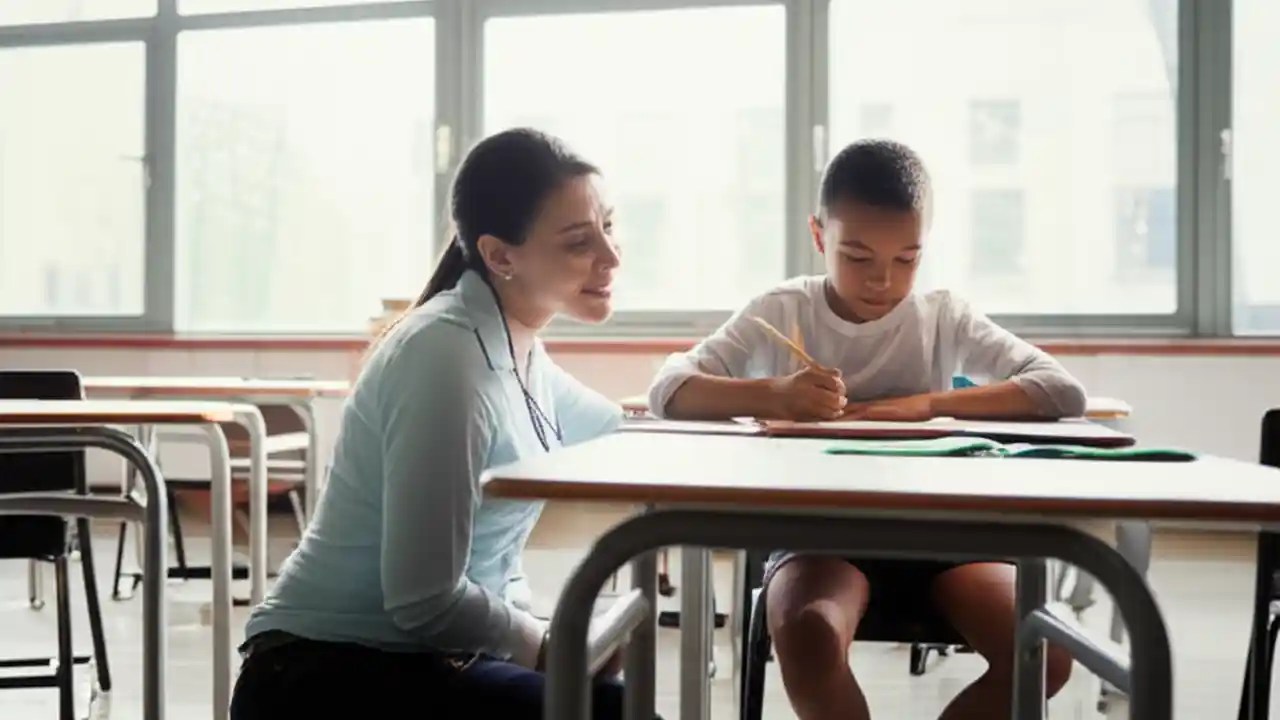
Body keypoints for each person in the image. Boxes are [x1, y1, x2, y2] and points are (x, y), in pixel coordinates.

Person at [647, 139, 1084, 719]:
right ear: (819, 235)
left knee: (1045, 653)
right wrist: (773, 394)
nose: (883, 280)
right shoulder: (783, 309)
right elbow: (668, 390)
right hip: (818, 534)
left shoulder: (941, 315)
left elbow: (1060, 389)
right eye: (857, 257)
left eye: (907, 259)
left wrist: (921, 405)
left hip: (941, 533)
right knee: (810, 634)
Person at [230, 128, 627, 719]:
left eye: (609, 227)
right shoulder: (445, 356)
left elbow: (619, 432)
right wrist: (550, 647)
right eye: (578, 242)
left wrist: (719, 397)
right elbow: (424, 600)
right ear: (500, 256)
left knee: (617, 702)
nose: (611, 256)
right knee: (611, 709)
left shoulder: (514, 345)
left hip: (419, 658)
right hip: (321, 675)